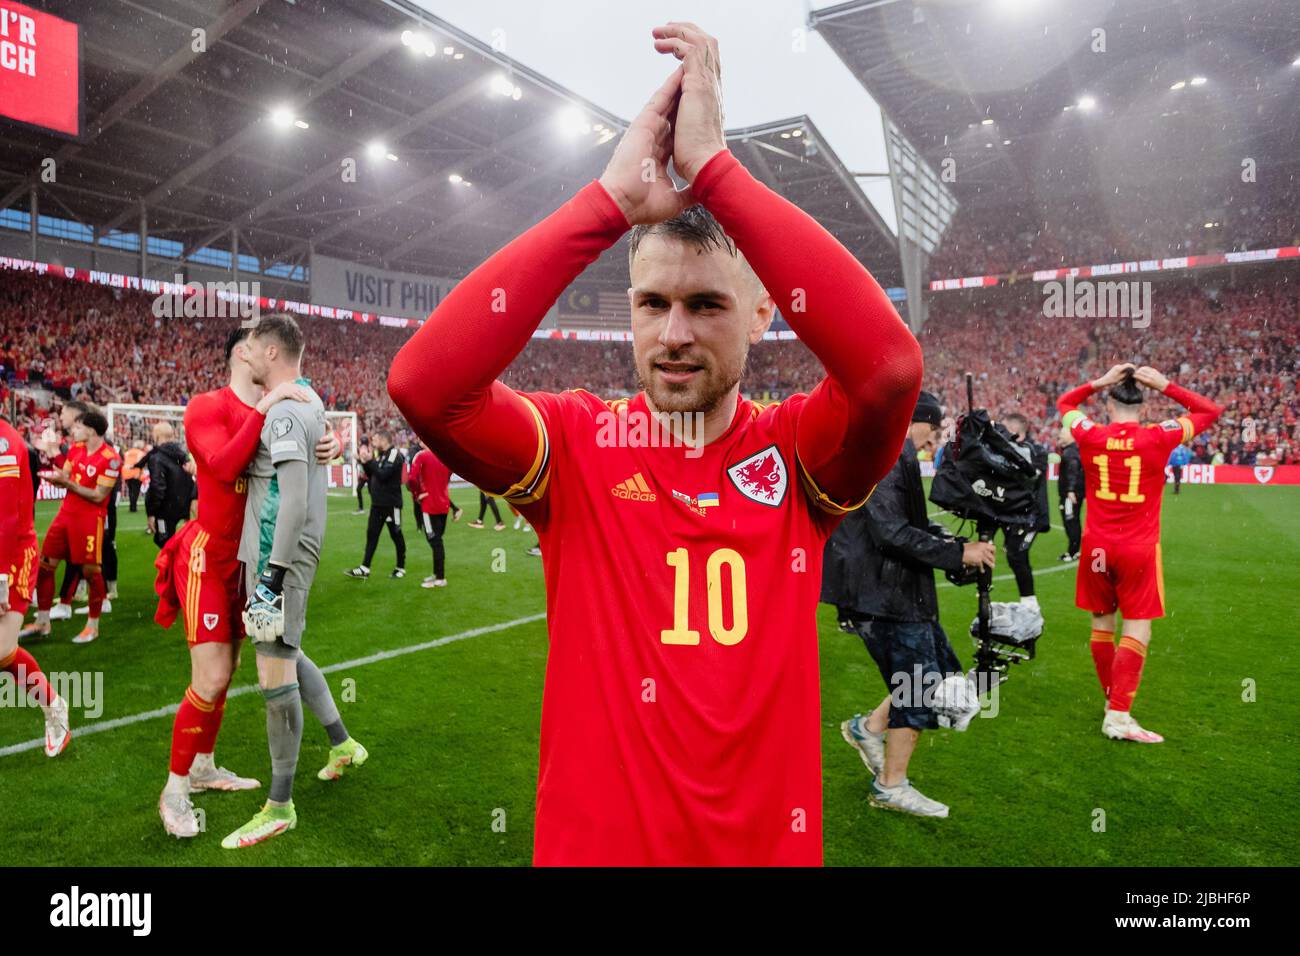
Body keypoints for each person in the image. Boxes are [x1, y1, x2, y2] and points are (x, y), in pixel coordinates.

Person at [388, 23, 923, 865]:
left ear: (760, 314)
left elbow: (889, 369)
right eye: (651, 304)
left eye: (707, 304)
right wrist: (606, 204)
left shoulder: (796, 455)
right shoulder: (575, 442)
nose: (673, 334)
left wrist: (717, 168)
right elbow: (424, 385)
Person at [153, 325, 343, 838]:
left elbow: (300, 444)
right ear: (245, 352)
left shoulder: (280, 403)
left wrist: (333, 442)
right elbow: (219, 464)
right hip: (210, 556)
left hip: (251, 561)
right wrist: (266, 406)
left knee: (241, 665)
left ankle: (204, 766)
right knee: (212, 677)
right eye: (257, 343)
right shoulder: (206, 406)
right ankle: (174, 791)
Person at [222, 315, 368, 849]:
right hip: (277, 558)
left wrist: (272, 577)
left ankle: (280, 805)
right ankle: (343, 744)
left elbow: (295, 500)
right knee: (289, 653)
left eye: (253, 351)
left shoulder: (285, 410)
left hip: (275, 560)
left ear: (273, 353)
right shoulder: (307, 402)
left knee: (274, 678)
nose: (248, 358)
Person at [822, 391, 996, 818]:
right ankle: (890, 785)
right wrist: (958, 554)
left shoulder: (890, 450)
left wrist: (952, 543)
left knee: (937, 678)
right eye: (932, 429)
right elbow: (890, 533)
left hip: (892, 593)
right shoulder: (883, 454)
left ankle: (869, 729)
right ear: (915, 420)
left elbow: (904, 527)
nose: (932, 440)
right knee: (922, 691)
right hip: (882, 595)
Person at [1057, 364, 1221, 743]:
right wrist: (1165, 385)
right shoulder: (1158, 437)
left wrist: (1100, 381)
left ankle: (1112, 700)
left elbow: (1065, 402)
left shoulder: (1090, 433)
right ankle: (1118, 716)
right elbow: (1210, 411)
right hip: (1137, 549)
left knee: (1101, 627)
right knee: (1139, 629)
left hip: (1096, 548)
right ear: (1142, 409)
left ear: (1109, 406)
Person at [0, 410, 71, 756]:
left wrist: (0, 580)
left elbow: (9, 517)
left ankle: (54, 706)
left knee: (1, 652)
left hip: (9, 557)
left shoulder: (5, 443)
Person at [21, 406, 119, 645]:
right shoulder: (76, 450)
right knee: (45, 565)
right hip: (65, 514)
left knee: (90, 571)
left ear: (91, 430)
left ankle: (92, 626)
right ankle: (43, 622)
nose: (72, 431)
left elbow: (98, 496)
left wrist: (69, 484)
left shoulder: (111, 459)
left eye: (77, 427)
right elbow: (65, 476)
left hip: (89, 519)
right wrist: (54, 475)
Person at [999, 411, 1049, 610]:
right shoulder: (1006, 450)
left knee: (1017, 556)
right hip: (1012, 514)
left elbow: (1030, 477)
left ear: (1014, 431)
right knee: (1014, 556)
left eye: (1004, 429)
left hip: (1031, 516)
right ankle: (1027, 601)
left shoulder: (1035, 451)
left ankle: (1030, 603)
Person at [344, 431, 407, 579]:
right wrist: (363, 461)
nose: (373, 441)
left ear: (384, 440)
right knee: (372, 534)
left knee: (396, 534)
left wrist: (369, 461)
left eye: (376, 439)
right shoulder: (382, 455)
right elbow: (373, 474)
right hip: (378, 504)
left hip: (390, 504)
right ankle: (365, 568)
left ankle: (401, 567)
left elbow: (383, 475)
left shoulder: (393, 454)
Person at [407, 438, 453, 588]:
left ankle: (440, 578)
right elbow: (448, 476)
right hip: (444, 504)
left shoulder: (421, 456)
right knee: (437, 540)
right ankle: (436, 574)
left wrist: (416, 494)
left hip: (429, 505)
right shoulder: (445, 456)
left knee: (435, 541)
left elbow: (411, 479)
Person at [144, 421, 194, 548]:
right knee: (185, 546)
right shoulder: (183, 455)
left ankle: (169, 568)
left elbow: (157, 487)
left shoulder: (157, 457)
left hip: (165, 510)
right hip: (184, 508)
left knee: (165, 546)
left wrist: (151, 512)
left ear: (157, 436)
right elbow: (189, 481)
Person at [1058, 424, 1084, 561]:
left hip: (1070, 495)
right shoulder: (1072, 450)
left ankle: (1072, 552)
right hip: (1074, 492)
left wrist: (1070, 490)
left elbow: (1072, 471)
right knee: (1073, 520)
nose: (1060, 435)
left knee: (1070, 521)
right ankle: (1075, 550)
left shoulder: (1070, 453)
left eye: (1062, 433)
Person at [122, 440, 148, 512]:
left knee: (131, 491)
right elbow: (142, 464)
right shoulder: (141, 453)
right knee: (135, 491)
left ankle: (131, 506)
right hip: (136, 473)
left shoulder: (127, 452)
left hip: (126, 473)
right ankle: (133, 507)